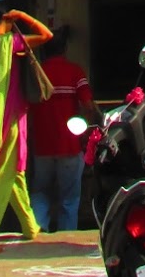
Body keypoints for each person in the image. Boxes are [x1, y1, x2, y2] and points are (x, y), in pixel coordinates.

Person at [0, 1, 53, 251]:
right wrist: (24, 15)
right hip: (9, 121)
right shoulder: (9, 45)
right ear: (7, 20)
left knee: (15, 175)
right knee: (3, 179)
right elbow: (46, 35)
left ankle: (30, 226)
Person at [27, 26, 99, 232]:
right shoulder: (75, 72)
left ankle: (38, 231)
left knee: (40, 192)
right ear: (64, 49)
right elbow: (87, 105)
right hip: (69, 146)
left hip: (42, 146)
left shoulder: (36, 75)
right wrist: (86, 132)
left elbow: (27, 109)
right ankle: (67, 239)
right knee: (69, 199)